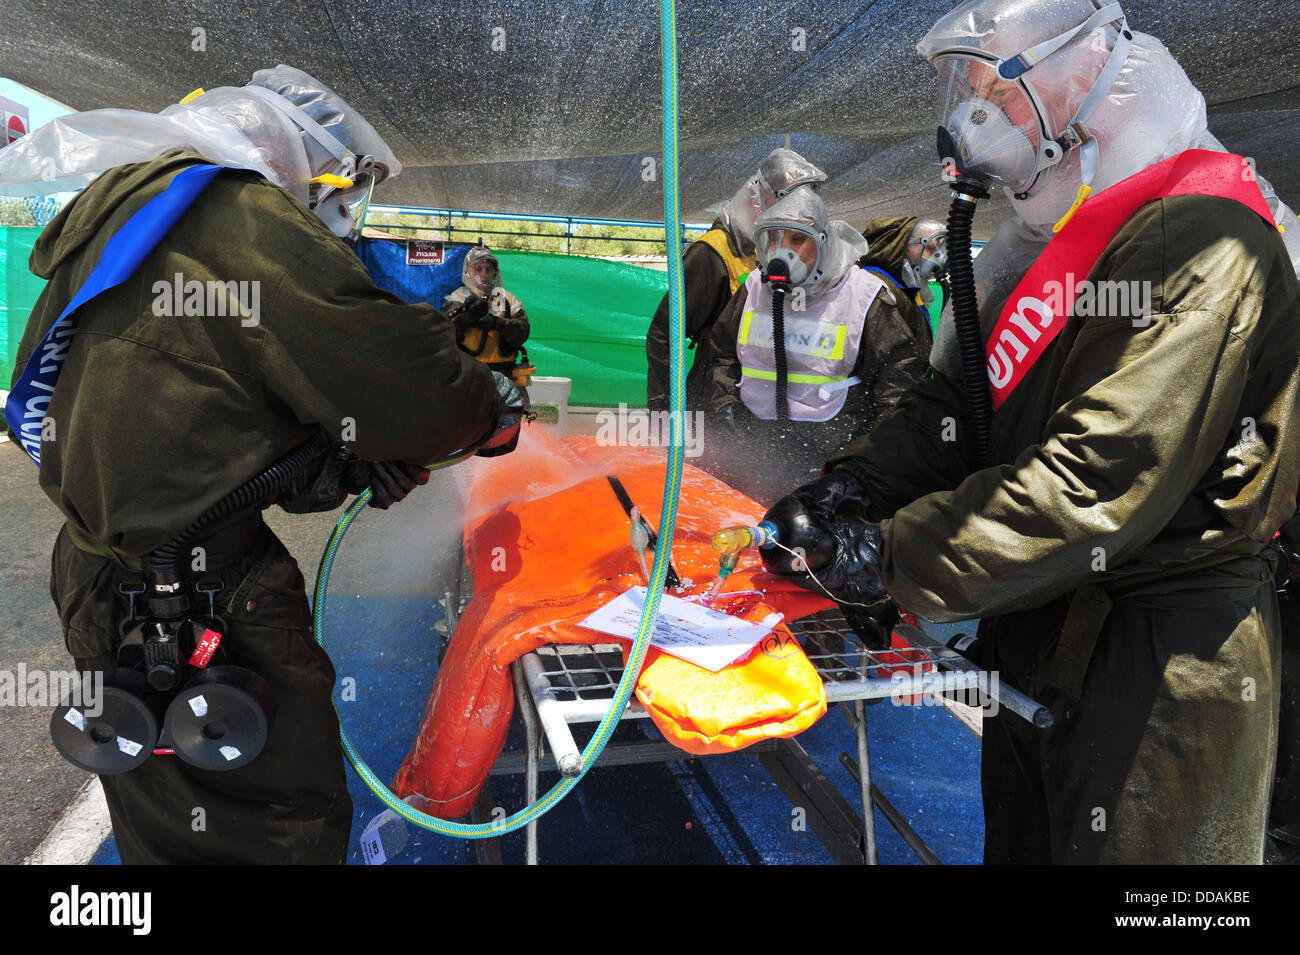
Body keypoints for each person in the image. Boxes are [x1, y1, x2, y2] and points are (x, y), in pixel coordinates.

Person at [759, 0, 1300, 864]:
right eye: (965, 92)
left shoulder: (1205, 235)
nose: (972, 121)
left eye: (991, 90)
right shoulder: (1053, 245)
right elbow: (956, 406)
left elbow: (1096, 483)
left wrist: (888, 557)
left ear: (1086, 80)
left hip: (1159, 671)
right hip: (1037, 633)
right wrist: (851, 487)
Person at [2, 65, 523, 863]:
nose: (339, 210)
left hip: (100, 581)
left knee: (165, 816)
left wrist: (339, 463)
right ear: (298, 156)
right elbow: (410, 388)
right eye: (341, 186)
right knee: (279, 816)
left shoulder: (127, 206)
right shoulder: (242, 216)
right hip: (205, 595)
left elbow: (187, 416)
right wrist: (484, 404)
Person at [705, 189, 929, 503]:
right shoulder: (755, 288)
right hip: (754, 446)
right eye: (774, 239)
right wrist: (724, 409)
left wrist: (859, 461)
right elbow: (722, 352)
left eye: (797, 240)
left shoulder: (862, 295)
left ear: (822, 242)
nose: (782, 251)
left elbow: (899, 379)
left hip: (830, 456)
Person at [645, 148, 828, 411]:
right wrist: (664, 405)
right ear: (761, 199)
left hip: (757, 402)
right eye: (789, 202)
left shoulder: (764, 252)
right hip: (714, 398)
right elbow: (664, 334)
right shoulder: (711, 253)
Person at [444, 244, 531, 379]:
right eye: (478, 269)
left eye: (488, 270)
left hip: (503, 372)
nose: (483, 275)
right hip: (467, 372)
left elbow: (523, 331)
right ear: (468, 271)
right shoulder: (458, 298)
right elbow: (448, 330)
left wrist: (497, 323)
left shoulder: (508, 300)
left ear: (494, 273)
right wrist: (469, 316)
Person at [858, 216, 948, 337]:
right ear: (903, 246)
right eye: (930, 248)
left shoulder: (902, 285)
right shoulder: (878, 289)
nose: (939, 256)